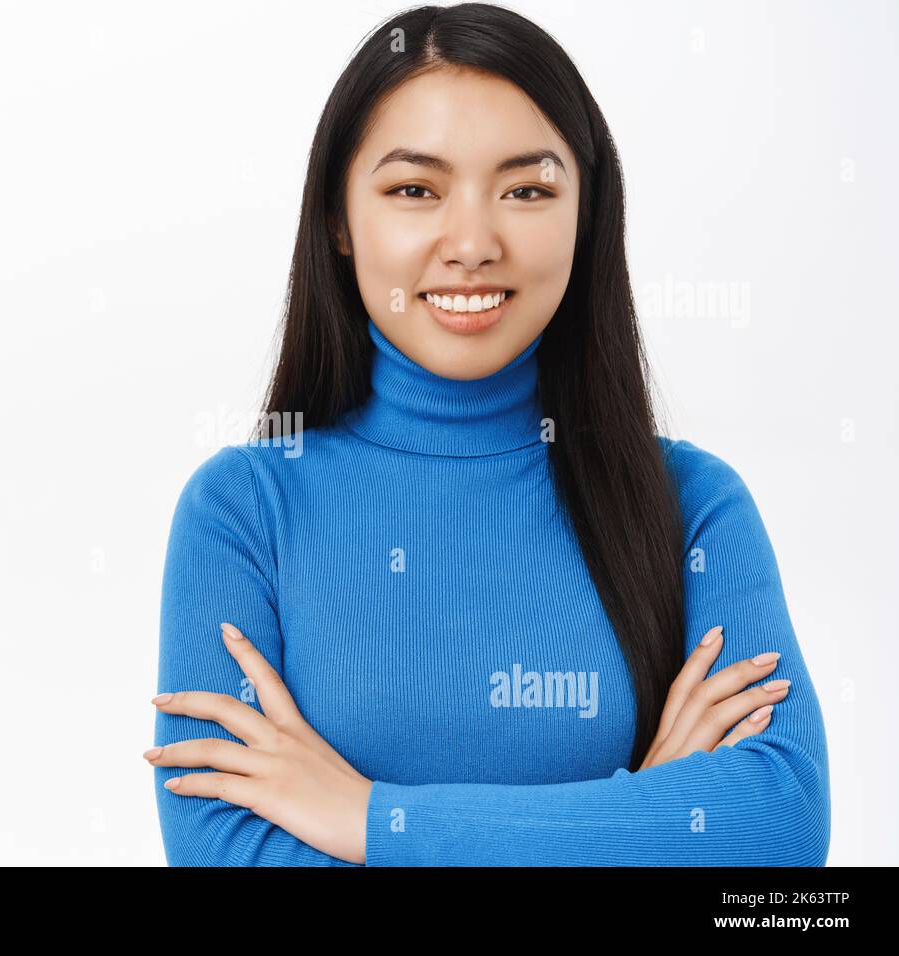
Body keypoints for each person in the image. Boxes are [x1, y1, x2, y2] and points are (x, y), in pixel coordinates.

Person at [147, 2, 829, 866]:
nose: (471, 243)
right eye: (414, 190)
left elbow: (780, 828)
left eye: (528, 190)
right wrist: (642, 814)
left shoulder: (692, 505)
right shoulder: (244, 510)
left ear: (588, 214)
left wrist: (367, 818)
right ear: (337, 221)